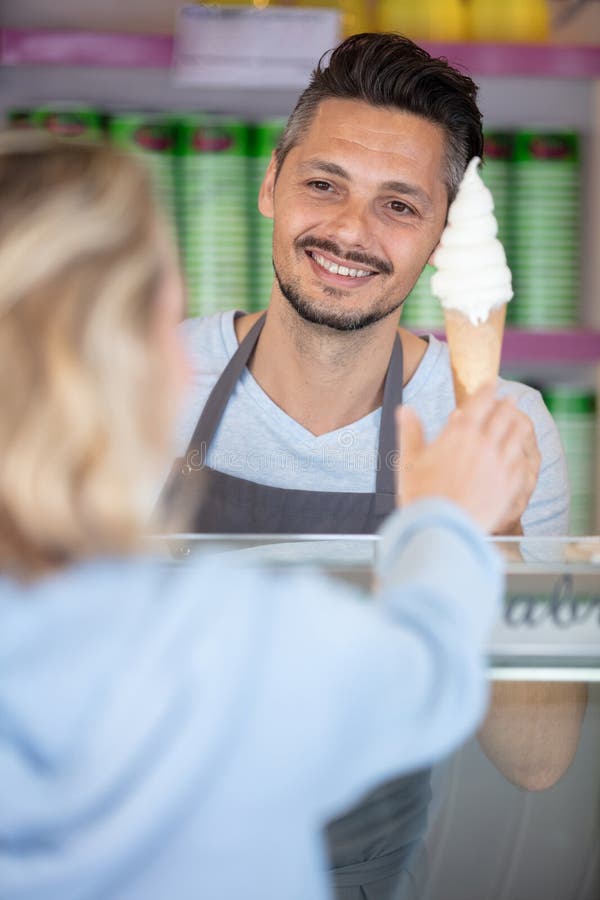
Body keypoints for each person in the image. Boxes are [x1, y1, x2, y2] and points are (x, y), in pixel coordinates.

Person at [0, 132, 528, 899]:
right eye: (163, 322)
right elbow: (424, 668)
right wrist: (450, 521)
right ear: (128, 363)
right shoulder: (231, 645)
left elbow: (534, 762)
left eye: (398, 204)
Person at [158, 32, 587, 899]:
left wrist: (488, 527)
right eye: (324, 185)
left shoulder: (505, 426)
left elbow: (539, 760)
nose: (350, 232)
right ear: (271, 185)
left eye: (400, 204)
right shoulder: (136, 382)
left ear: (441, 235)